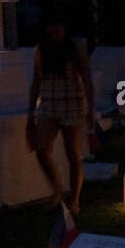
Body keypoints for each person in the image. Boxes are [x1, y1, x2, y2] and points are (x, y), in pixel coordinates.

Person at [28, 13, 93, 214]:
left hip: (73, 106)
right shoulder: (41, 51)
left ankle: (74, 200)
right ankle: (57, 189)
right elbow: (36, 81)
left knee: (72, 153)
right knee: (41, 149)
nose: (54, 30)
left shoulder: (75, 50)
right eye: (51, 26)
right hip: (49, 106)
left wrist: (91, 108)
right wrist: (30, 113)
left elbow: (87, 80)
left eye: (58, 26)